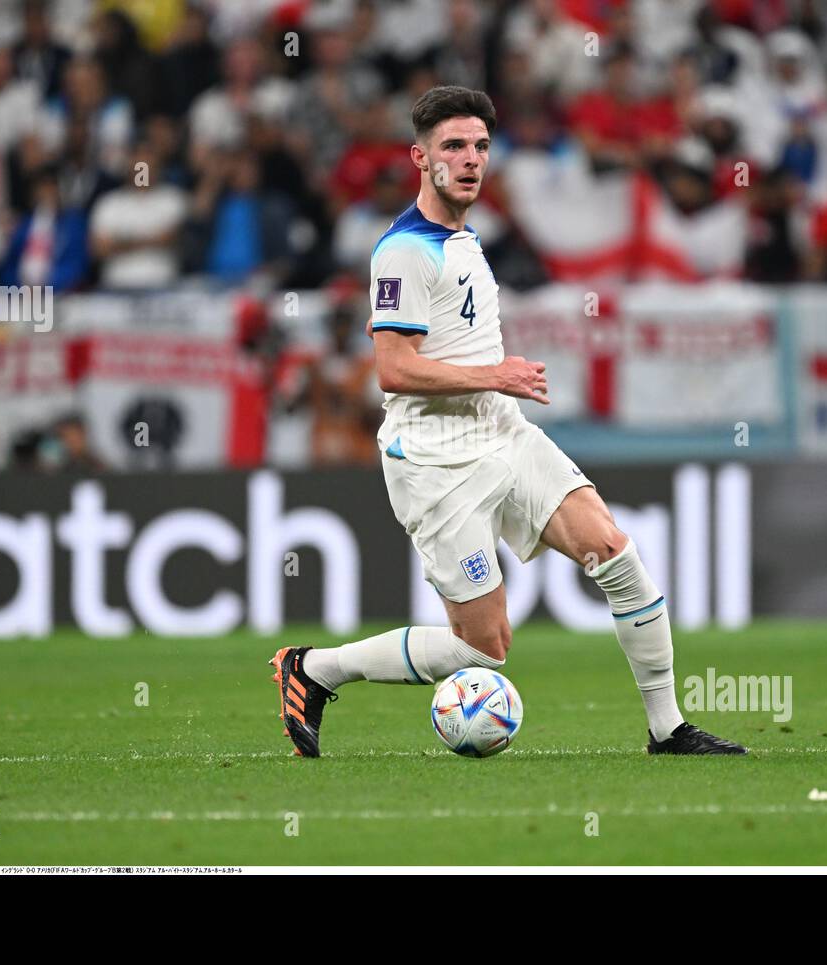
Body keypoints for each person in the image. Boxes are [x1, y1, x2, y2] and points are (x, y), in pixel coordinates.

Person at [269, 86, 745, 759]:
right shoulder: (403, 250)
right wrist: (497, 374)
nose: (470, 160)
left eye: (480, 147)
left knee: (614, 552)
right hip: (437, 461)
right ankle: (315, 669)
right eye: (453, 147)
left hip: (503, 432)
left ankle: (667, 729)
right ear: (420, 157)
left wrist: (496, 389)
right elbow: (395, 369)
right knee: (481, 650)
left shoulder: (467, 237)